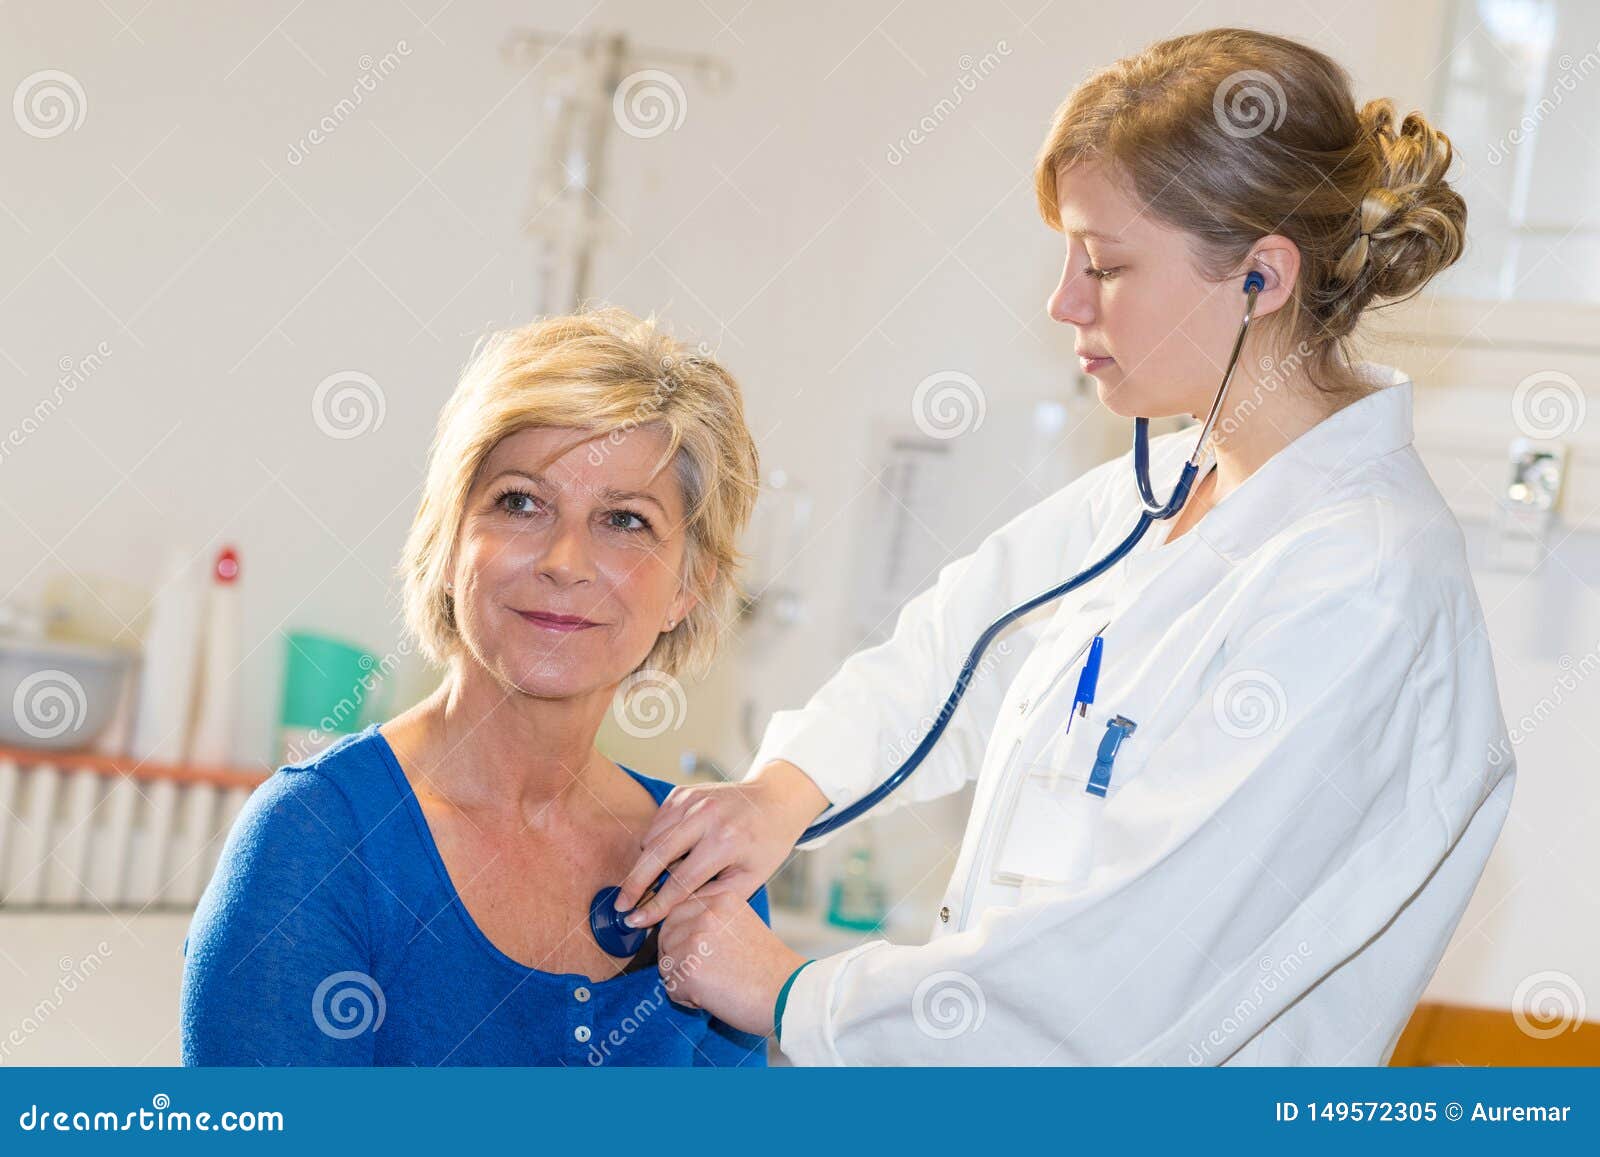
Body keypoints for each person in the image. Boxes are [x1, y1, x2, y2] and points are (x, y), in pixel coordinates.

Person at [613, 28, 1515, 1065]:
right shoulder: (1146, 500)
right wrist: (781, 795)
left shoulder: (1364, 580)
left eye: (1105, 264)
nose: (1062, 303)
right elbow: (952, 658)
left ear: (1261, 278)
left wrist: (793, 994)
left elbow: (1122, 975)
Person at [181, 308, 767, 1066]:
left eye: (624, 519)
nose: (565, 560)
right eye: (522, 502)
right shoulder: (318, 840)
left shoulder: (705, 864)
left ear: (689, 585)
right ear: (451, 537)